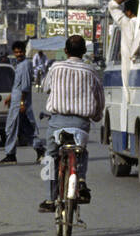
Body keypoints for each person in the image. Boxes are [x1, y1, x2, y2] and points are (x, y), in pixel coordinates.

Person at [38, 34, 105, 211]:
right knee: (81, 152)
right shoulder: (90, 71)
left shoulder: (56, 67)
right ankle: (81, 180)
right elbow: (99, 98)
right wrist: (97, 116)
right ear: (84, 52)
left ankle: (50, 199)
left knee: (50, 157)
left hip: (57, 122)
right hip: (81, 123)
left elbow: (45, 87)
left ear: (65, 51)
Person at [0, 40, 39, 163]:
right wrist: (10, 97)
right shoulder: (18, 65)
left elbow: (25, 86)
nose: (18, 54)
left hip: (20, 104)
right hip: (16, 102)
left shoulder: (26, 65)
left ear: (24, 51)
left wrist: (22, 103)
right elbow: (17, 85)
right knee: (27, 129)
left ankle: (10, 154)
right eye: (16, 52)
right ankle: (40, 150)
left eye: (20, 52)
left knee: (11, 129)